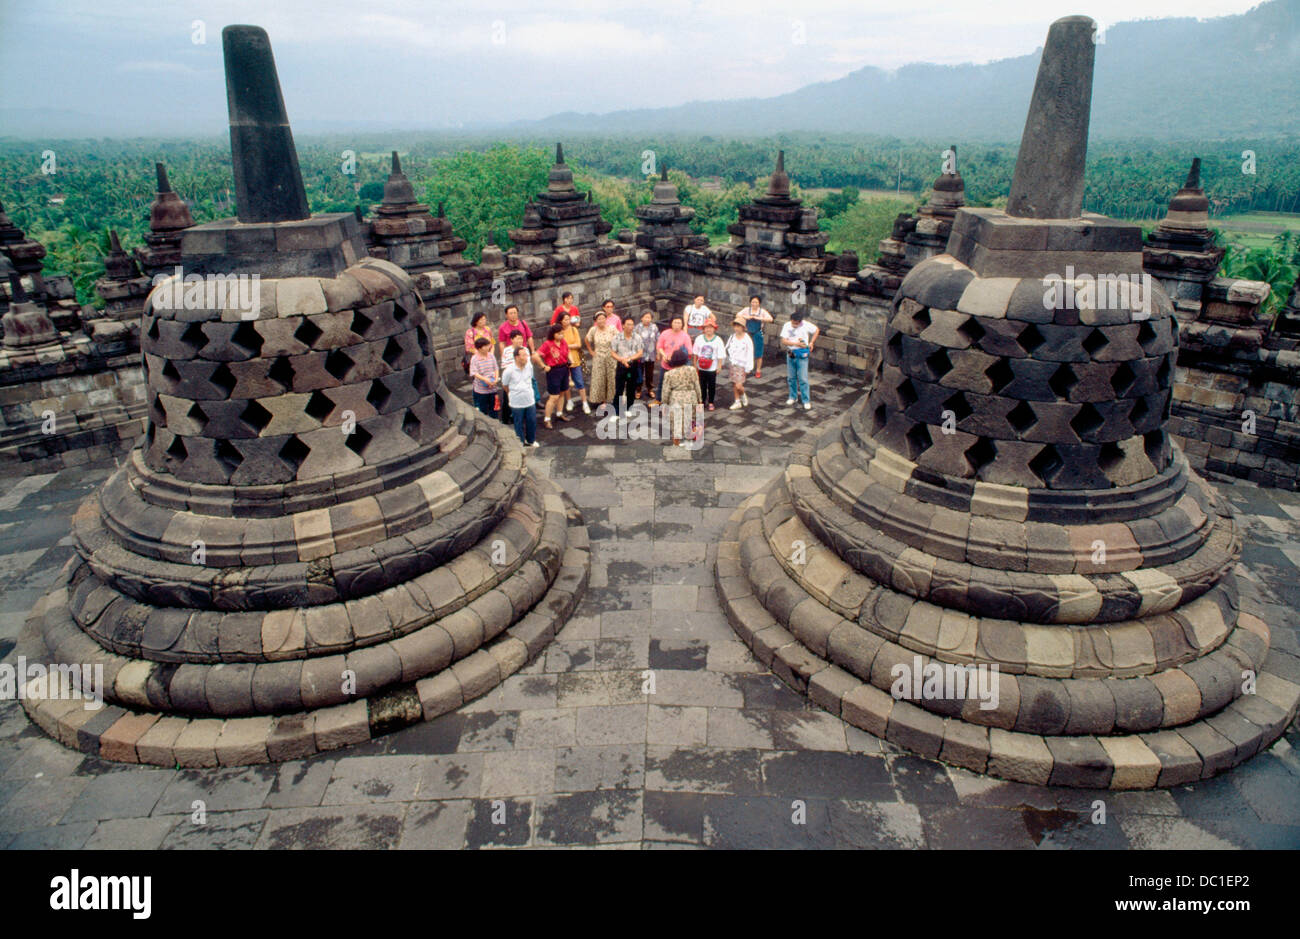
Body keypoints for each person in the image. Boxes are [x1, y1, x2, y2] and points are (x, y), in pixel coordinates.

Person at [661, 346, 702, 447]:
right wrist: (700, 400)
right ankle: (691, 439)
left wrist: (664, 404)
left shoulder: (669, 374)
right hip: (691, 397)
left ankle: (676, 443)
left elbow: (665, 391)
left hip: (676, 399)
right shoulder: (692, 370)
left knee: (677, 422)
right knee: (692, 419)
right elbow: (697, 386)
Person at [500, 346, 539, 448]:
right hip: (516, 402)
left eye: (527, 355)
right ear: (517, 357)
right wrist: (513, 393)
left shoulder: (529, 367)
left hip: (529, 399)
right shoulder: (509, 371)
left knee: (532, 421)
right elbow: (505, 385)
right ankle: (521, 442)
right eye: (524, 355)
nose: (527, 357)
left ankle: (531, 440)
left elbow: (530, 379)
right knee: (518, 423)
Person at [780, 310, 819, 410]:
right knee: (791, 377)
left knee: (803, 378)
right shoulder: (787, 325)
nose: (794, 325)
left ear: (800, 322)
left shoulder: (806, 325)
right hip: (791, 353)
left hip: (802, 354)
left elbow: (816, 330)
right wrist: (795, 344)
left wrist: (811, 342)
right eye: (793, 322)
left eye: (796, 323)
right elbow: (783, 340)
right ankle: (793, 396)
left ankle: (806, 400)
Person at [538, 324, 571, 428]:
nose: (561, 335)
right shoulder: (548, 344)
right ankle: (547, 419)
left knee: (562, 393)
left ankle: (559, 413)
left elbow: (567, 351)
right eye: (559, 334)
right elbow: (536, 355)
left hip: (564, 368)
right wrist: (543, 366)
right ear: (553, 334)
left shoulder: (563, 342)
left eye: (562, 333)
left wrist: (571, 360)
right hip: (554, 371)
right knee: (554, 396)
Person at [611, 315, 643, 420]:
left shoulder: (637, 337)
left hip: (632, 365)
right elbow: (612, 352)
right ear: (623, 325)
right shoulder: (617, 337)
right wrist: (622, 360)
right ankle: (616, 411)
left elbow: (640, 352)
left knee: (631, 388)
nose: (631, 327)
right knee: (619, 388)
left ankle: (629, 408)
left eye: (632, 324)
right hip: (621, 365)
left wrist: (629, 359)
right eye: (628, 324)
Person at [559, 307, 591, 414]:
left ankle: (585, 403)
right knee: (566, 383)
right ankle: (569, 401)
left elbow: (578, 344)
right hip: (563, 361)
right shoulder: (559, 332)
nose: (567, 321)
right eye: (564, 319)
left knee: (579, 382)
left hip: (575, 360)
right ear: (561, 321)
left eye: (568, 319)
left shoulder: (574, 330)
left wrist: (566, 346)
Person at [655, 316, 692, 403]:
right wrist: (663, 355)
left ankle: (675, 401)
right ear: (671, 323)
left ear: (682, 324)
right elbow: (659, 346)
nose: (677, 325)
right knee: (662, 382)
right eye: (675, 322)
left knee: (678, 385)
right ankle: (658, 399)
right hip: (666, 362)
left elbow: (689, 351)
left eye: (679, 323)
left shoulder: (685, 336)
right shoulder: (665, 333)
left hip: (678, 365)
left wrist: (677, 356)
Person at [735, 295, 774, 379]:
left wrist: (759, 318)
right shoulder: (746, 310)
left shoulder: (762, 311)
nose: (754, 304)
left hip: (757, 333)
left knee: (758, 352)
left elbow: (770, 319)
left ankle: (758, 370)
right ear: (750, 302)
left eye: (756, 302)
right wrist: (747, 317)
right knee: (745, 351)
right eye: (753, 302)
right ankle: (746, 369)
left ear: (759, 303)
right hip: (747, 332)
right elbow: (737, 315)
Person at [585, 309, 618, 405]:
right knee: (600, 379)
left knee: (612, 377)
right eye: (599, 319)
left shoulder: (612, 328)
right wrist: (591, 351)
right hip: (598, 357)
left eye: (603, 318)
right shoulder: (593, 330)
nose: (601, 321)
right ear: (596, 321)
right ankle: (603, 401)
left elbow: (620, 339)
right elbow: (587, 340)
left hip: (611, 356)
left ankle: (613, 398)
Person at [692, 319, 727, 411]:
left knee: (711, 385)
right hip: (701, 366)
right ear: (704, 329)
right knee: (701, 385)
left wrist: (719, 366)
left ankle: (711, 401)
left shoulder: (718, 340)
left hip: (712, 367)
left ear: (714, 329)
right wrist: (695, 364)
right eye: (706, 328)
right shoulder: (699, 338)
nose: (708, 330)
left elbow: (720, 355)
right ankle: (702, 401)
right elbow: (695, 353)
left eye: (711, 328)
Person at [725, 317, 755, 409]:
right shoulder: (732, 337)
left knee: (739, 385)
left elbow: (750, 353)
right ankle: (737, 401)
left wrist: (749, 367)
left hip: (742, 364)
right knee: (734, 383)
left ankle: (742, 395)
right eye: (735, 326)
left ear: (743, 327)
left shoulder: (747, 339)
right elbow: (726, 348)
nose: (737, 328)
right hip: (733, 363)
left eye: (739, 326)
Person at [468, 336, 499, 418]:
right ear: (479, 348)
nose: (488, 347)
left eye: (488, 345)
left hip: (493, 387)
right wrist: (485, 379)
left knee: (495, 407)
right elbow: (474, 372)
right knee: (483, 409)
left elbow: (496, 368)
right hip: (481, 389)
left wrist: (495, 379)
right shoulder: (474, 358)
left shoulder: (491, 356)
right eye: (486, 346)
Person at [634, 310, 659, 403]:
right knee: (639, 373)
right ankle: (638, 390)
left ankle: (650, 389)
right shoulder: (637, 328)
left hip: (651, 354)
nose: (647, 319)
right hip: (640, 355)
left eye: (649, 317)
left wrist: (658, 353)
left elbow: (658, 340)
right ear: (641, 318)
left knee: (649, 373)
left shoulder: (654, 327)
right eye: (646, 317)